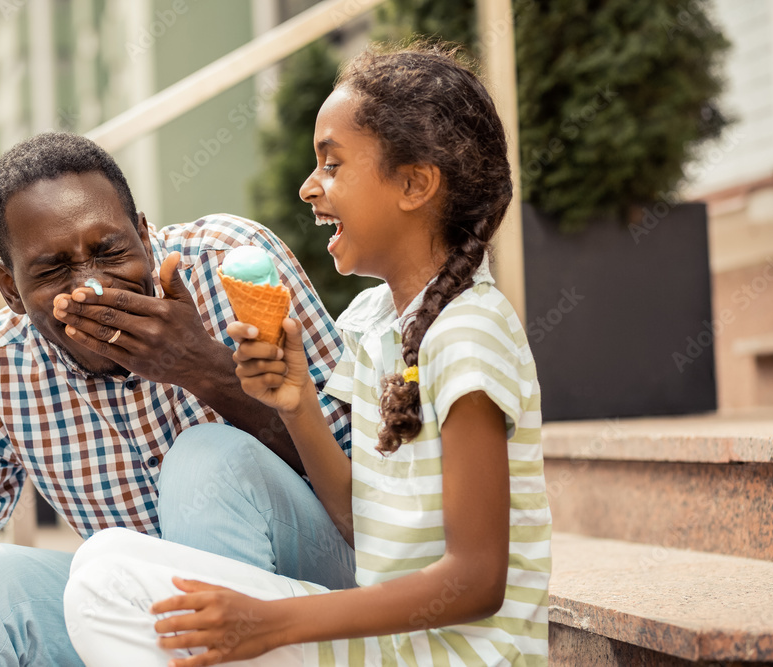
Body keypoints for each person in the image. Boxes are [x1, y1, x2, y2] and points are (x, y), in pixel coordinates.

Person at [64, 41, 552, 666]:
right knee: (103, 562)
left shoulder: (469, 333)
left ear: (414, 183)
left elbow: (478, 580)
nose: (307, 186)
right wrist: (296, 407)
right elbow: (359, 524)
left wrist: (274, 623)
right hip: (384, 645)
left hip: (445, 656)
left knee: (109, 589)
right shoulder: (375, 322)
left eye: (332, 163)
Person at [0, 132, 355, 666]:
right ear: (9, 289)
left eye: (109, 250)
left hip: (316, 598)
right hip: (146, 627)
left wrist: (203, 369)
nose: (89, 287)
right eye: (52, 270)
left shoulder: (228, 262)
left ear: (144, 233)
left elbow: (371, 486)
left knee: (206, 457)